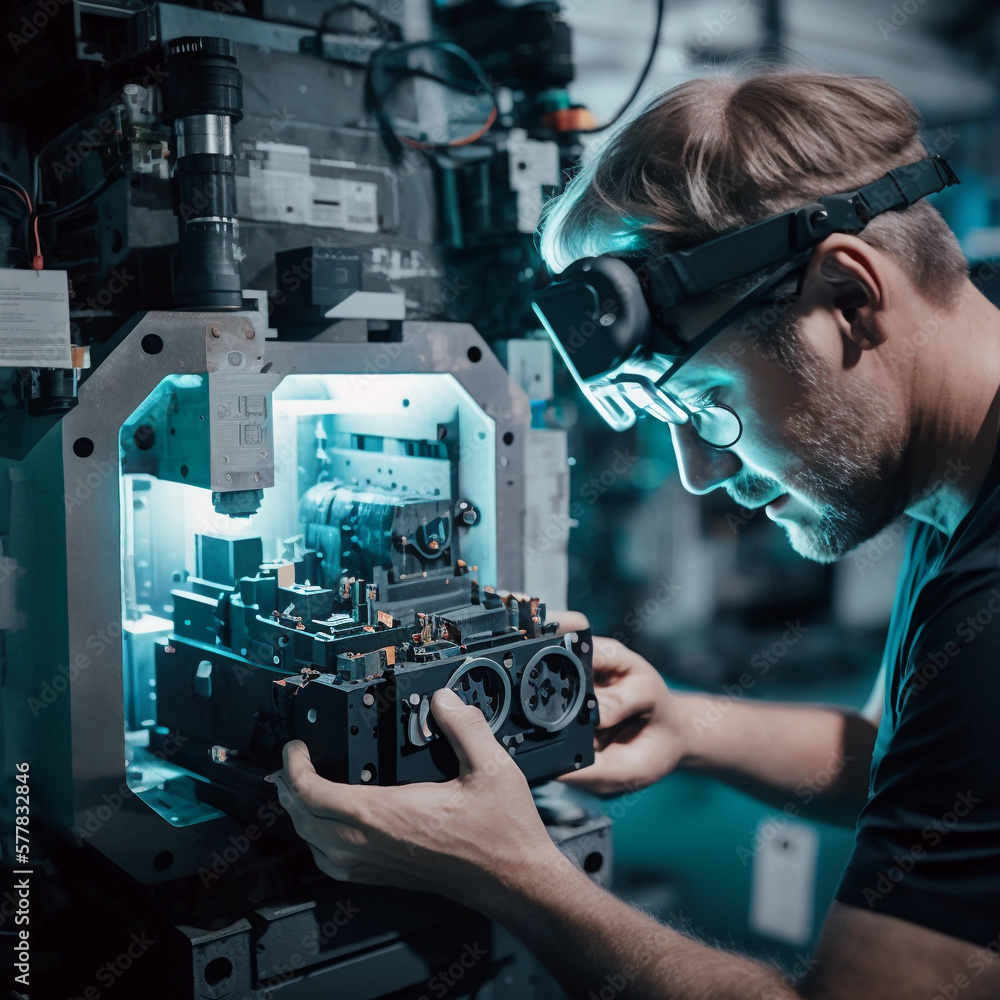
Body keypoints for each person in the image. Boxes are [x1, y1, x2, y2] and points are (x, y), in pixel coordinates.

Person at [271, 70, 1000, 998]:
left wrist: (510, 873)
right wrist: (685, 726)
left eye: (711, 406)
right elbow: (915, 764)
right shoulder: (962, 471)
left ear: (851, 299)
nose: (701, 471)